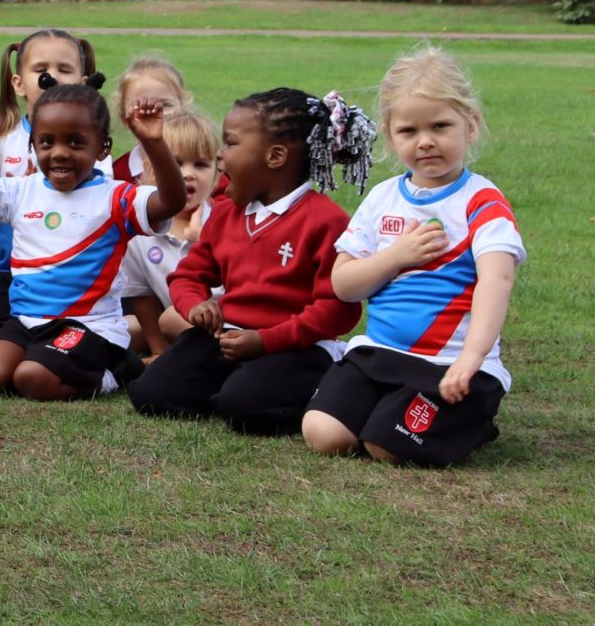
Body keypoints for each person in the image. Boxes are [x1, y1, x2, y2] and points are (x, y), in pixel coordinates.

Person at [303, 47, 524, 466]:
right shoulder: (382, 198)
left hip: (448, 364)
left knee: (387, 446)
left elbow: (498, 280)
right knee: (322, 434)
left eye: (441, 126)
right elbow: (344, 285)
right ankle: (393, 410)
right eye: (408, 131)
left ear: (470, 125)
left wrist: (472, 359)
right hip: (378, 353)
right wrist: (397, 256)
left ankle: (473, 415)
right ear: (390, 136)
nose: (425, 141)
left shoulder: (482, 201)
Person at [127, 90, 368, 434]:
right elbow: (188, 276)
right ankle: (240, 387)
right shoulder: (225, 213)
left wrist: (265, 341)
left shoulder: (326, 221)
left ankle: (318, 384)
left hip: (296, 347)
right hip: (228, 338)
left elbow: (337, 309)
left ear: (275, 157)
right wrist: (195, 306)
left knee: (242, 407)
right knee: (152, 393)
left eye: (230, 144)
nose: (220, 156)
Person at [0, 83, 185, 401]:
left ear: (102, 148)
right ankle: (47, 358)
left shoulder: (115, 197)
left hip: (89, 325)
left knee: (32, 378)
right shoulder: (20, 191)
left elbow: (171, 201)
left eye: (75, 142)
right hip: (27, 320)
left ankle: (117, 370)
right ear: (33, 146)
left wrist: (153, 143)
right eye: (47, 142)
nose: (59, 152)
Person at [0, 27, 102, 294]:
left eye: (64, 69)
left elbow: (102, 199)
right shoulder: (2, 141)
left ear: (83, 83)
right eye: (41, 70)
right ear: (18, 84)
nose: (52, 77)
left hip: (72, 273)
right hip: (12, 273)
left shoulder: (91, 144)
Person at [120, 108, 220, 358]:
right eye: (176, 162)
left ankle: (225, 355)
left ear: (217, 173)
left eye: (201, 164)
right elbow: (141, 296)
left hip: (229, 319)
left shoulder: (224, 221)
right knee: (127, 328)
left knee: (172, 318)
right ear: (151, 170)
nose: (188, 173)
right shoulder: (139, 231)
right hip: (179, 324)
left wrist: (200, 245)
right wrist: (158, 351)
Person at [110, 57, 190, 183]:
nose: (154, 114)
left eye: (165, 105)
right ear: (124, 119)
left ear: (183, 109)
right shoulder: (116, 174)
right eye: (141, 107)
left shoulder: (201, 161)